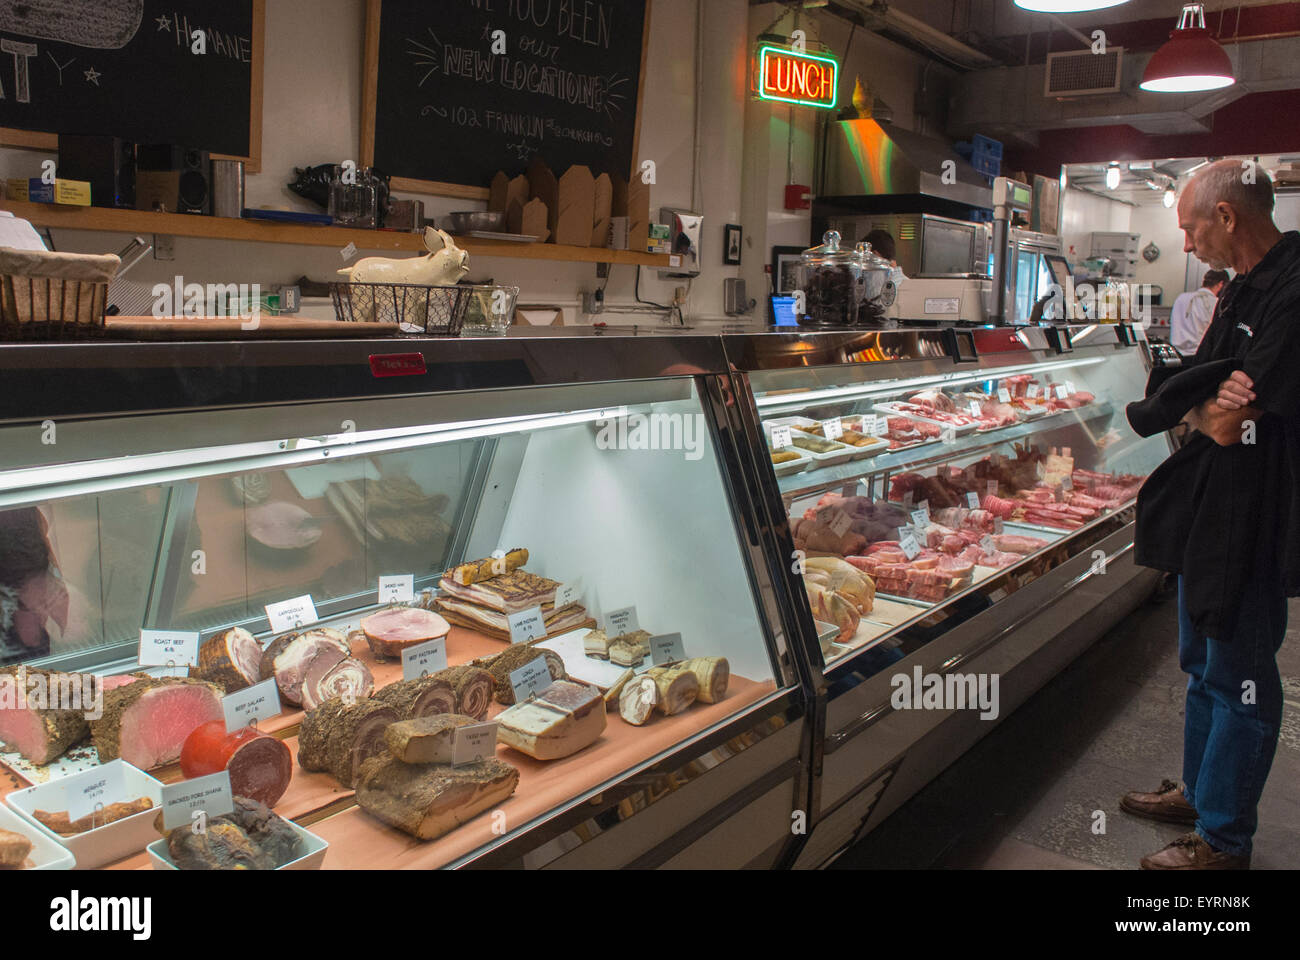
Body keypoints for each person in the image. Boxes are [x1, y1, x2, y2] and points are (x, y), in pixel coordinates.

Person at [1122, 159, 1299, 869]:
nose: (1186, 248)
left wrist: (1191, 408)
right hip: (1210, 509)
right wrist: (1202, 404)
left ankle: (1224, 841)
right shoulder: (1242, 289)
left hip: (1256, 515)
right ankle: (1199, 789)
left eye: (1191, 229)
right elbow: (1208, 393)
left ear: (1226, 217)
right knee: (1200, 661)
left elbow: (1231, 422)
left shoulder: (1292, 289)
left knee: (1241, 672)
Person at [1170, 268, 1229, 354]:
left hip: (1177, 354)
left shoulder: (1181, 298)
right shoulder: (1215, 303)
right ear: (1221, 284)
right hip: (1199, 354)